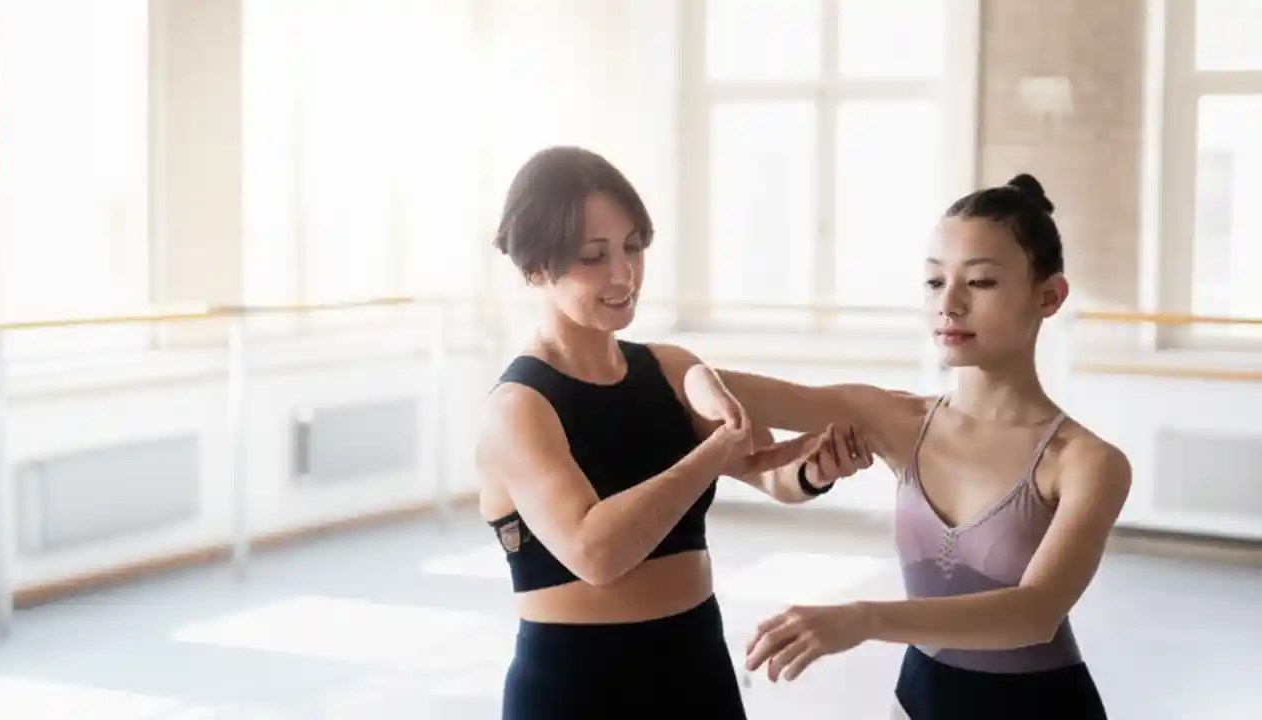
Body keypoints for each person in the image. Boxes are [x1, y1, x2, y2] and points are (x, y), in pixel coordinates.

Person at [687, 174, 1130, 719]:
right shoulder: (896, 419)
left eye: (981, 283)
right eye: (933, 282)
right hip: (915, 701)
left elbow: (1034, 614)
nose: (950, 304)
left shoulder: (1089, 462)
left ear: (1049, 296)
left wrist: (865, 618)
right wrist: (718, 401)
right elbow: (698, 381)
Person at [474, 146, 874, 720]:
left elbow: (766, 469)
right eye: (595, 255)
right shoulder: (518, 407)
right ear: (537, 267)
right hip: (576, 685)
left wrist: (813, 471)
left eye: (633, 247)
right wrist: (712, 453)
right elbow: (597, 552)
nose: (624, 274)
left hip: (694, 662)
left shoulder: (666, 366)